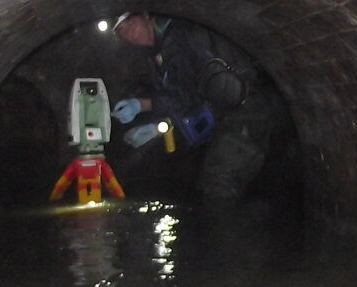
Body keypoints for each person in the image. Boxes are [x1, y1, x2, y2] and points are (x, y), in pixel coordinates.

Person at [109, 12, 271, 202]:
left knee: (219, 184)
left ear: (146, 16)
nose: (128, 32)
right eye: (121, 30)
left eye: (129, 22)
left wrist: (141, 105)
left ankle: (230, 228)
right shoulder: (155, 54)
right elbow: (181, 102)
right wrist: (157, 128)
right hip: (220, 119)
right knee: (196, 182)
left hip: (243, 112)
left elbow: (186, 94)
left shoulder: (179, 36)